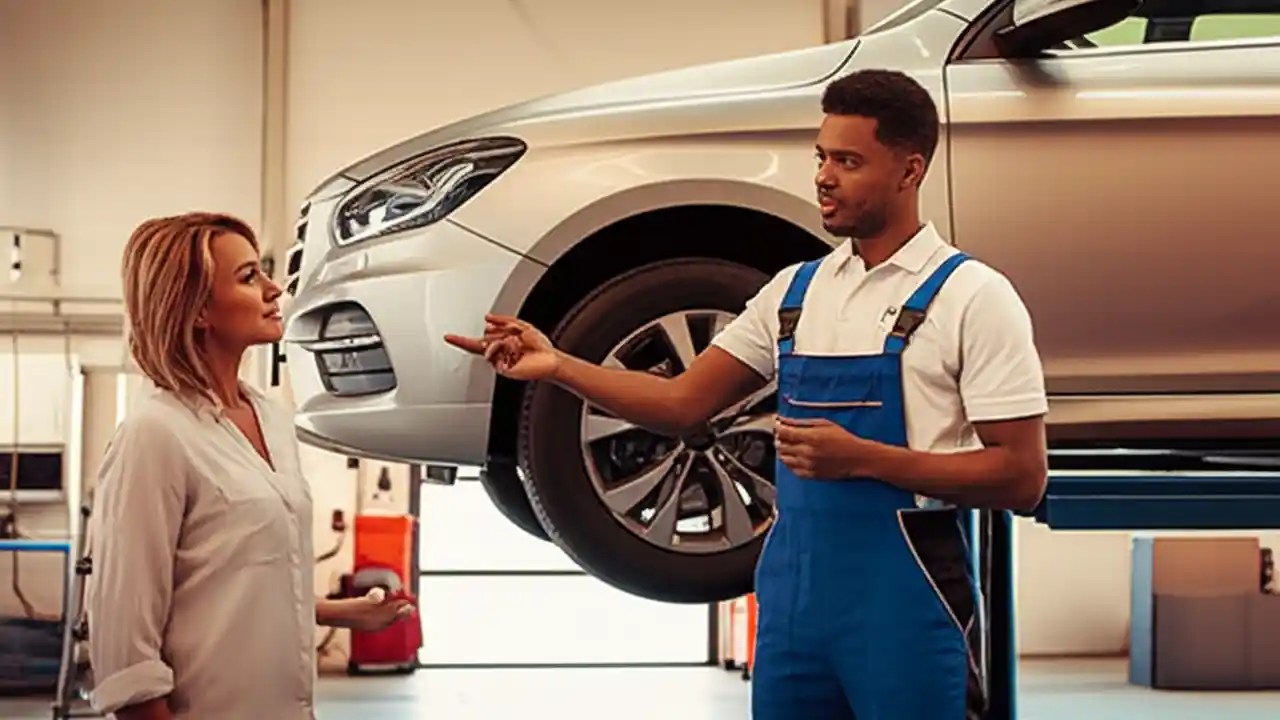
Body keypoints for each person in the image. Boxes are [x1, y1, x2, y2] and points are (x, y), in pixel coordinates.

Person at [446, 69, 1049, 719]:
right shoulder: (795, 293)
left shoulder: (972, 297)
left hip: (908, 604)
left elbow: (1021, 477)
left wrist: (866, 460)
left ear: (910, 171)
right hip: (794, 606)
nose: (823, 176)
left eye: (848, 161)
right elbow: (682, 404)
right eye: (821, 157)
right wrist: (560, 365)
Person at [86, 212, 416, 720]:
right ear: (197, 309)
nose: (274, 288)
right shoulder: (154, 435)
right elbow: (125, 652)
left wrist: (342, 614)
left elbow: (234, 585)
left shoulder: (271, 419)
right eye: (248, 277)